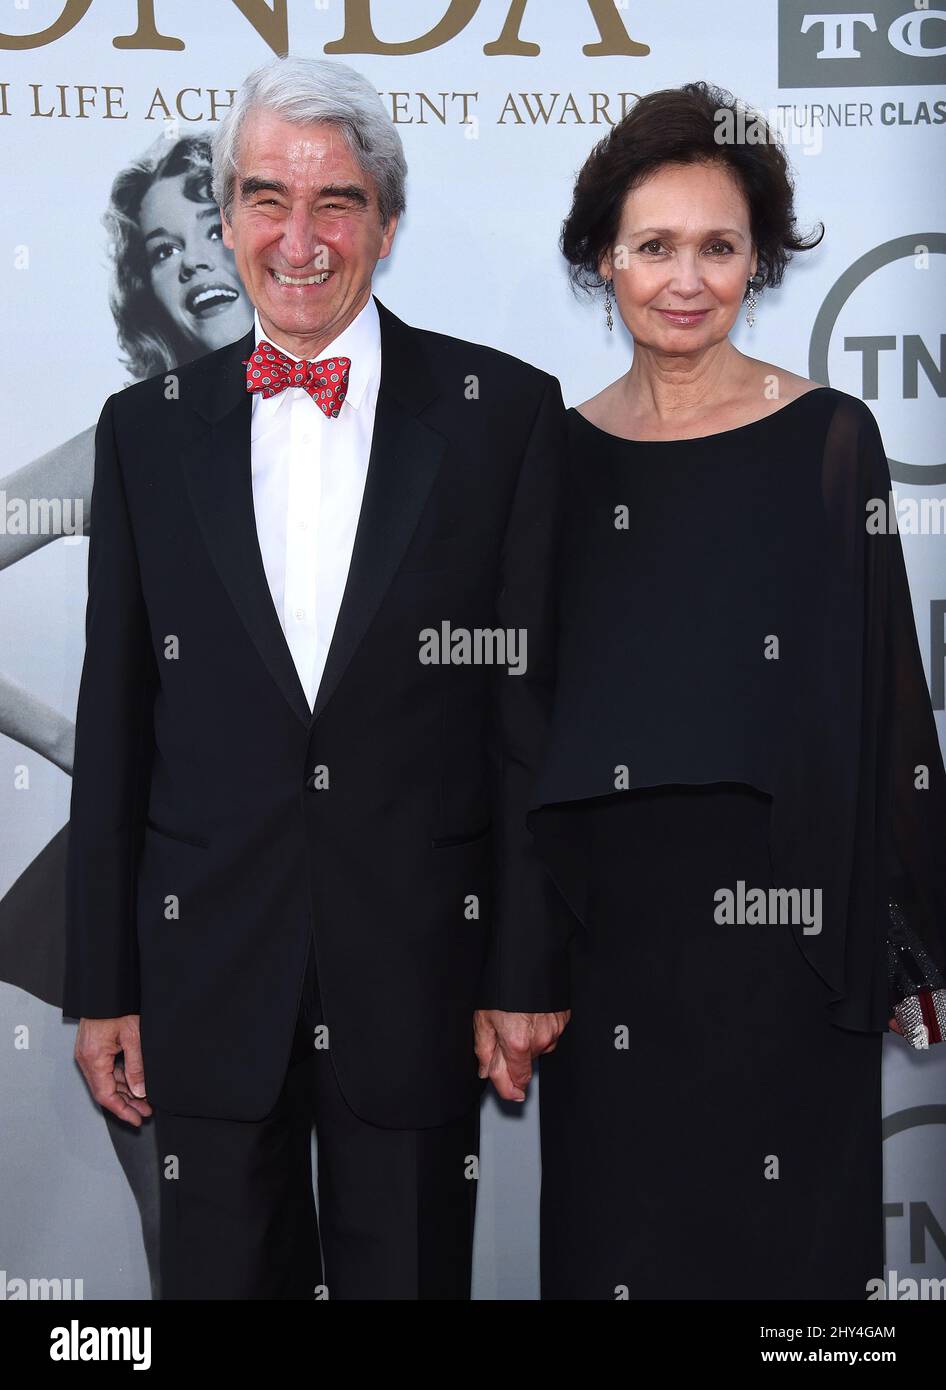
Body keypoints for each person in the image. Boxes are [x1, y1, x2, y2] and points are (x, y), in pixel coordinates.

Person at [63, 54, 570, 1301]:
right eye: (265, 199)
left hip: (419, 973)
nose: (299, 238)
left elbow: (527, 724)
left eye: (335, 200)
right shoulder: (144, 430)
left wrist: (520, 967)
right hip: (205, 974)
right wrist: (101, 985)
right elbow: (117, 719)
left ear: (386, 225)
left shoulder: (502, 415)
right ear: (229, 216)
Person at [527, 82, 946, 1300]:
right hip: (610, 939)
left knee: (790, 1269)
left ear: (756, 260)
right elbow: (518, 711)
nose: (685, 278)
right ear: (602, 257)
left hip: (788, 931)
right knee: (621, 1249)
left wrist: (916, 931)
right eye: (654, 245)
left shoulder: (827, 436)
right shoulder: (551, 458)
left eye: (718, 246)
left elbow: (887, 695)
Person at [0, 131, 253, 1299]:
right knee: (186, 1231)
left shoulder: (418, 426)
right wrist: (68, 742)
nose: (194, 262)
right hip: (156, 877)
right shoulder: (128, 438)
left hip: (360, 873)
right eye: (162, 248)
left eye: (211, 226)